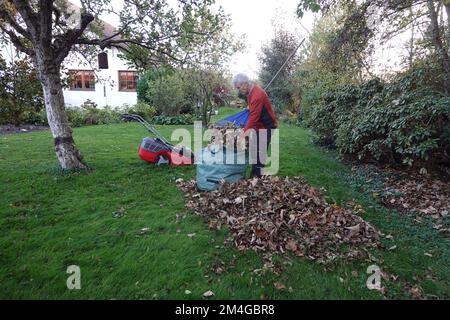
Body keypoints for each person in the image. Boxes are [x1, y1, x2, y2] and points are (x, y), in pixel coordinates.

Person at [232, 73, 278, 178]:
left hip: (267, 126)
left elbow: (253, 118)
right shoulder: (251, 92)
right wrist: (250, 107)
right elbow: (254, 108)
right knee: (255, 151)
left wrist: (243, 134)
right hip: (259, 125)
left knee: (259, 154)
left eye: (239, 88)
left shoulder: (257, 94)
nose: (239, 90)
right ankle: (254, 176)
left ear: (245, 83)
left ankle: (256, 179)